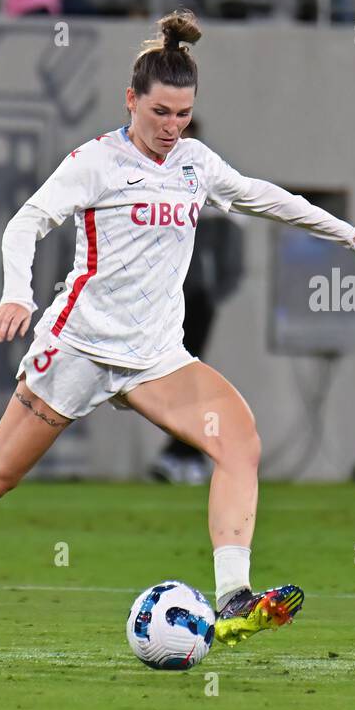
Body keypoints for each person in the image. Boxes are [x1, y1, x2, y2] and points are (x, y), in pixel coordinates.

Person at [0, 11, 355, 647]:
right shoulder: (97, 162)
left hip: (155, 357)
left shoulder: (195, 163)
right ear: (131, 100)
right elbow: (24, 224)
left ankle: (232, 599)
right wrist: (16, 294)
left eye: (183, 114)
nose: (172, 128)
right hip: (79, 346)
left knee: (239, 443)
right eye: (161, 112)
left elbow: (266, 197)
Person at [150, 118, 245, 485]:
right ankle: (192, 452)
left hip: (195, 298)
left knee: (184, 378)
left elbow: (232, 251)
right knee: (172, 381)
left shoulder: (206, 185)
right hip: (158, 300)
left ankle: (183, 453)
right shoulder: (148, 181)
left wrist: (213, 290)